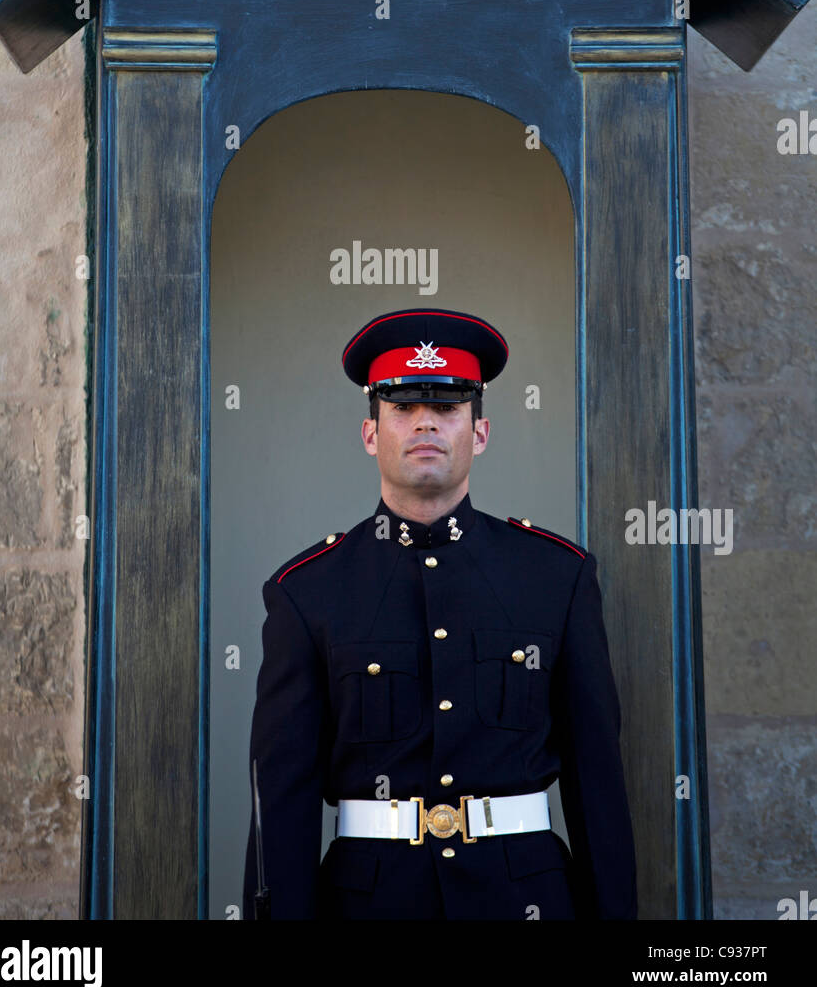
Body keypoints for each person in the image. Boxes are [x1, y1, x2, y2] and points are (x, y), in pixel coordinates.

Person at [242, 307, 637, 920]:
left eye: (448, 408)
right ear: (371, 433)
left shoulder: (556, 578)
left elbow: (598, 788)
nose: (425, 423)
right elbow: (281, 803)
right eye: (402, 408)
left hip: (524, 901)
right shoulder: (307, 591)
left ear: (479, 432)